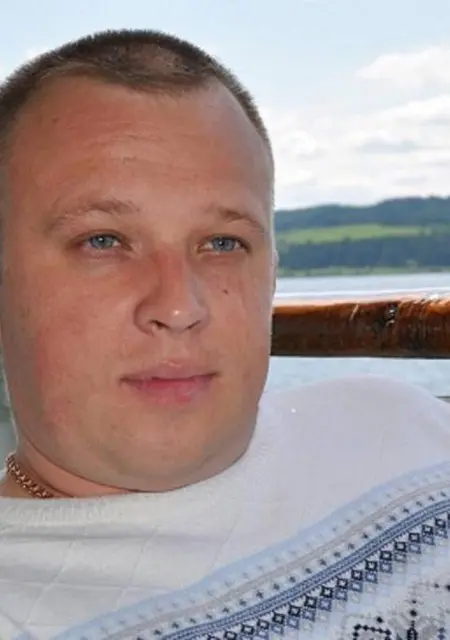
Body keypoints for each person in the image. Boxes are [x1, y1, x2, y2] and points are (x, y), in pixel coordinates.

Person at [0, 28, 450, 640]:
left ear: (272, 274)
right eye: (103, 241)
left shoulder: (401, 428)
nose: (178, 306)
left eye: (222, 242)